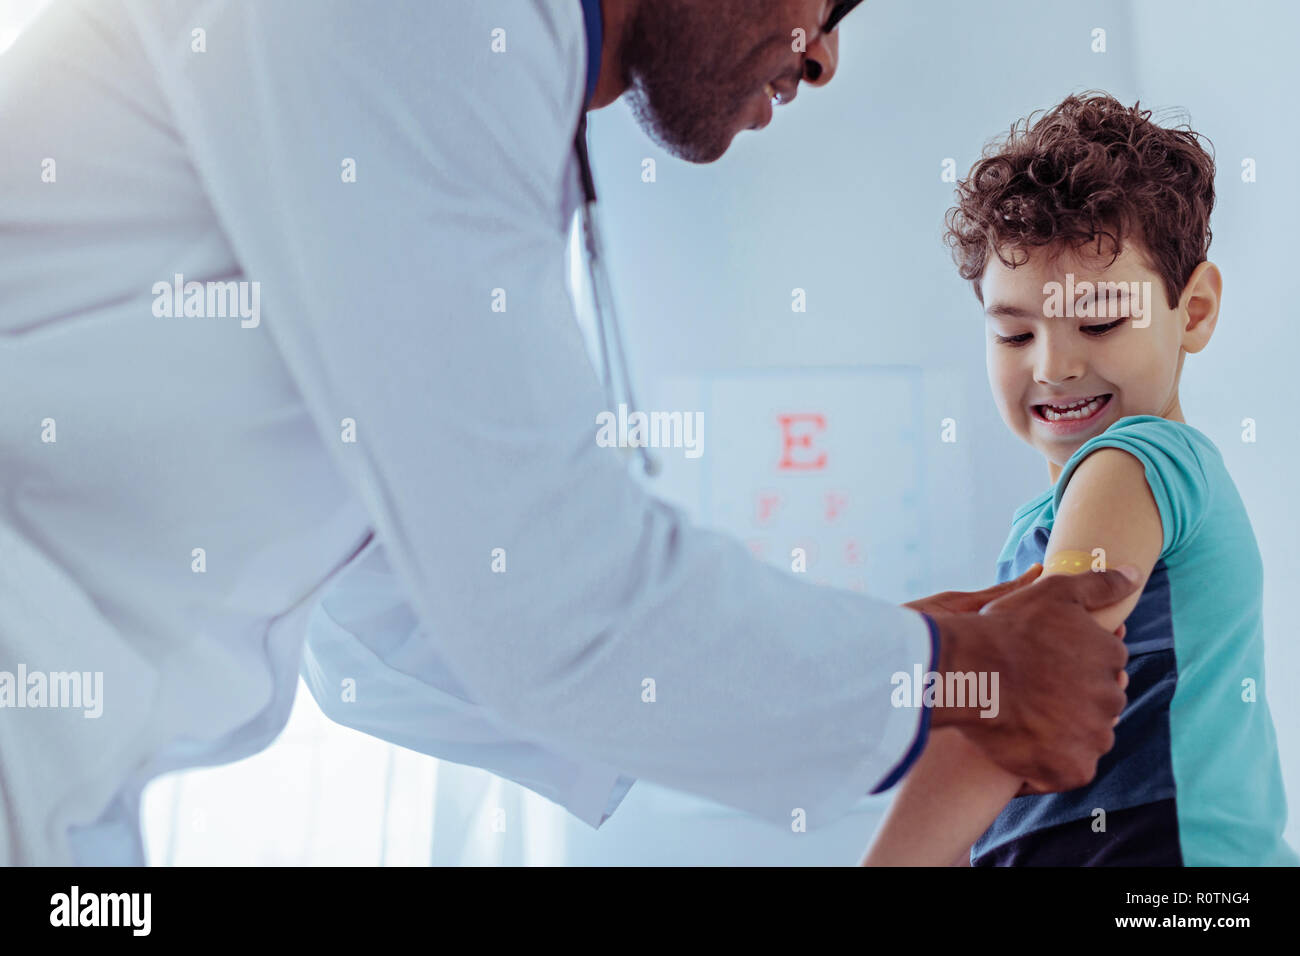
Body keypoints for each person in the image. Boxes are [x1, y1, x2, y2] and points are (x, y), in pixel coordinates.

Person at [0, 0, 1134, 865]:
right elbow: (545, 597)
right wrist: (955, 676)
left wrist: (901, 658)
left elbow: (390, 621)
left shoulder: (470, 83)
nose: (825, 51)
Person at [862, 93, 1298, 867]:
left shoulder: (1138, 462)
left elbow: (1032, 688)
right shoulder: (1044, 521)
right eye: (1014, 332)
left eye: (1097, 322)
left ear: (1192, 312)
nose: (1054, 366)